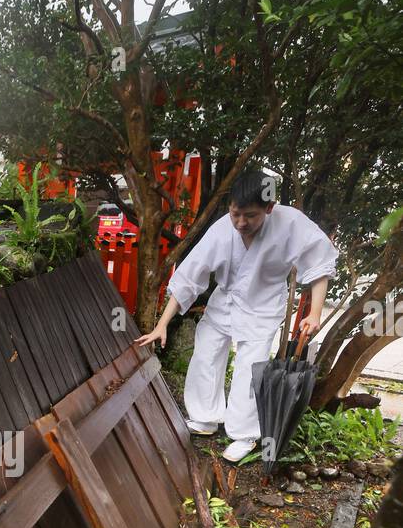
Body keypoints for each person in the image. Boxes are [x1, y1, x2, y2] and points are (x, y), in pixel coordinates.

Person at [135, 168, 337, 461]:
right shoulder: (222, 229)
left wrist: (315, 313)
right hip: (225, 303)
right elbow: (191, 276)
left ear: (269, 208)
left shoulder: (290, 224)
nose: (241, 223)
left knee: (249, 370)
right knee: (206, 353)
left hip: (263, 307)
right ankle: (205, 418)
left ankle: (244, 434)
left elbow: (319, 264)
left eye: (250, 216)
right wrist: (162, 324)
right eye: (235, 214)